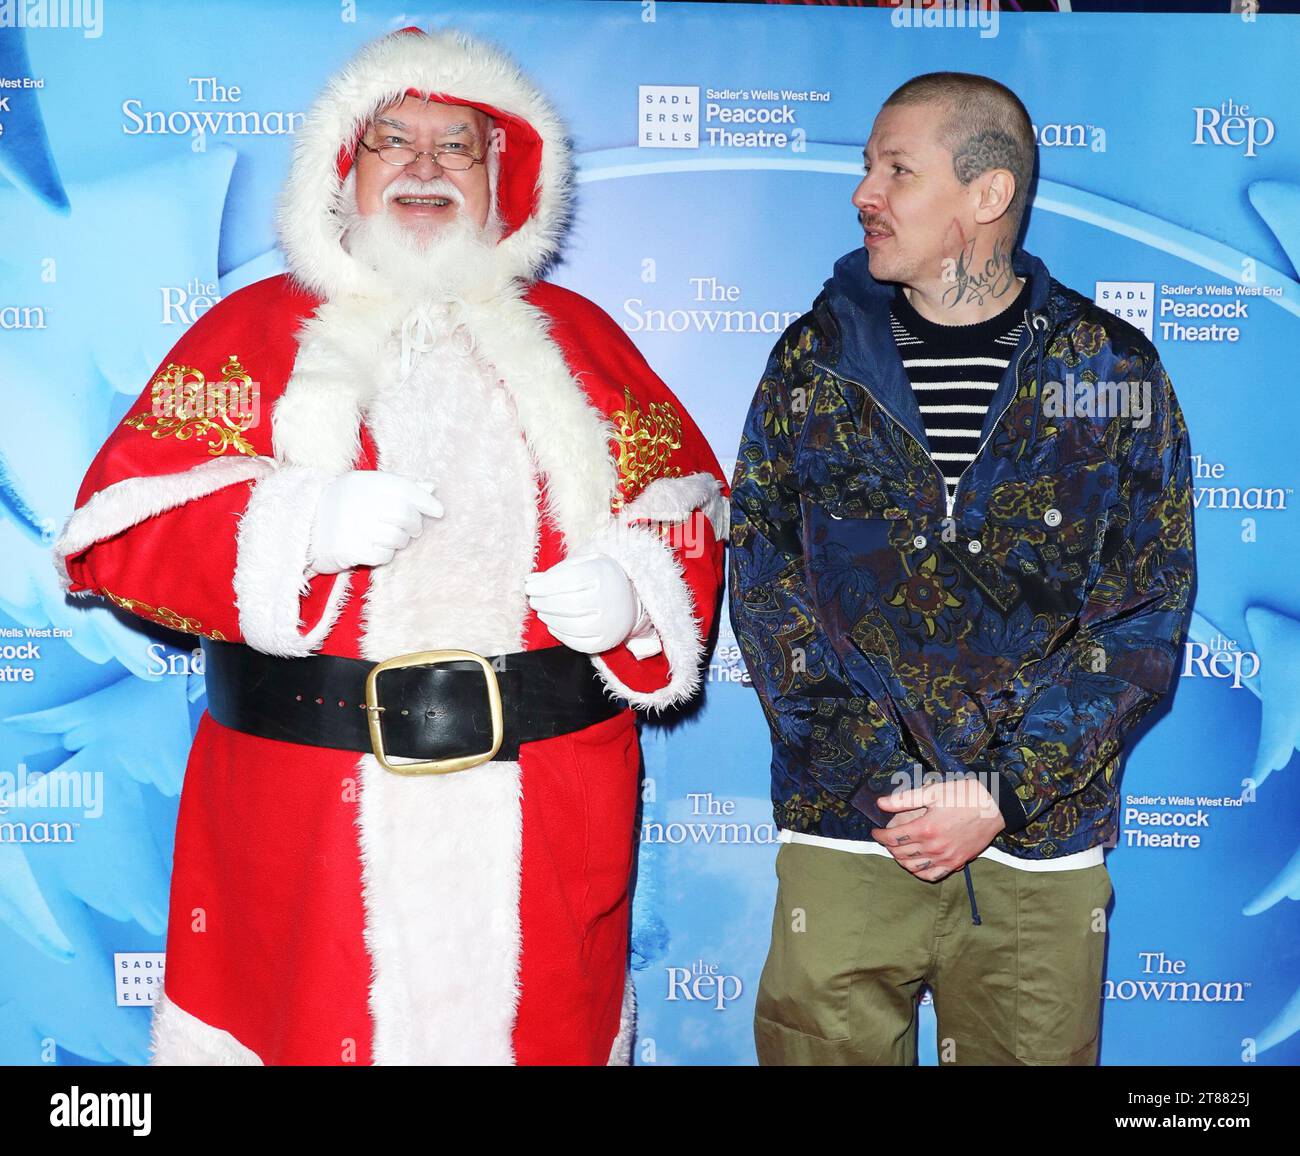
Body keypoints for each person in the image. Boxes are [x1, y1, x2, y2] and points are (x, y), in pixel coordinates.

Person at [52, 26, 727, 1066]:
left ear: (505, 175)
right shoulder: (251, 335)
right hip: (306, 815)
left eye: (457, 144)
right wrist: (296, 530)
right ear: (342, 171)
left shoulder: (582, 340)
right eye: (391, 141)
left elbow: (687, 506)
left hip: (541, 818)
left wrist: (637, 589)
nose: (423, 165)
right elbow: (117, 532)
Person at [728, 71, 1195, 1066]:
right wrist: (884, 785)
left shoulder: (1109, 372)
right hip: (850, 835)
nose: (863, 192)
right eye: (865, 166)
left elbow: (1143, 616)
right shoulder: (809, 367)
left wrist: (998, 792)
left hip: (1036, 844)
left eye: (895, 169)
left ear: (986, 195)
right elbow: (767, 590)